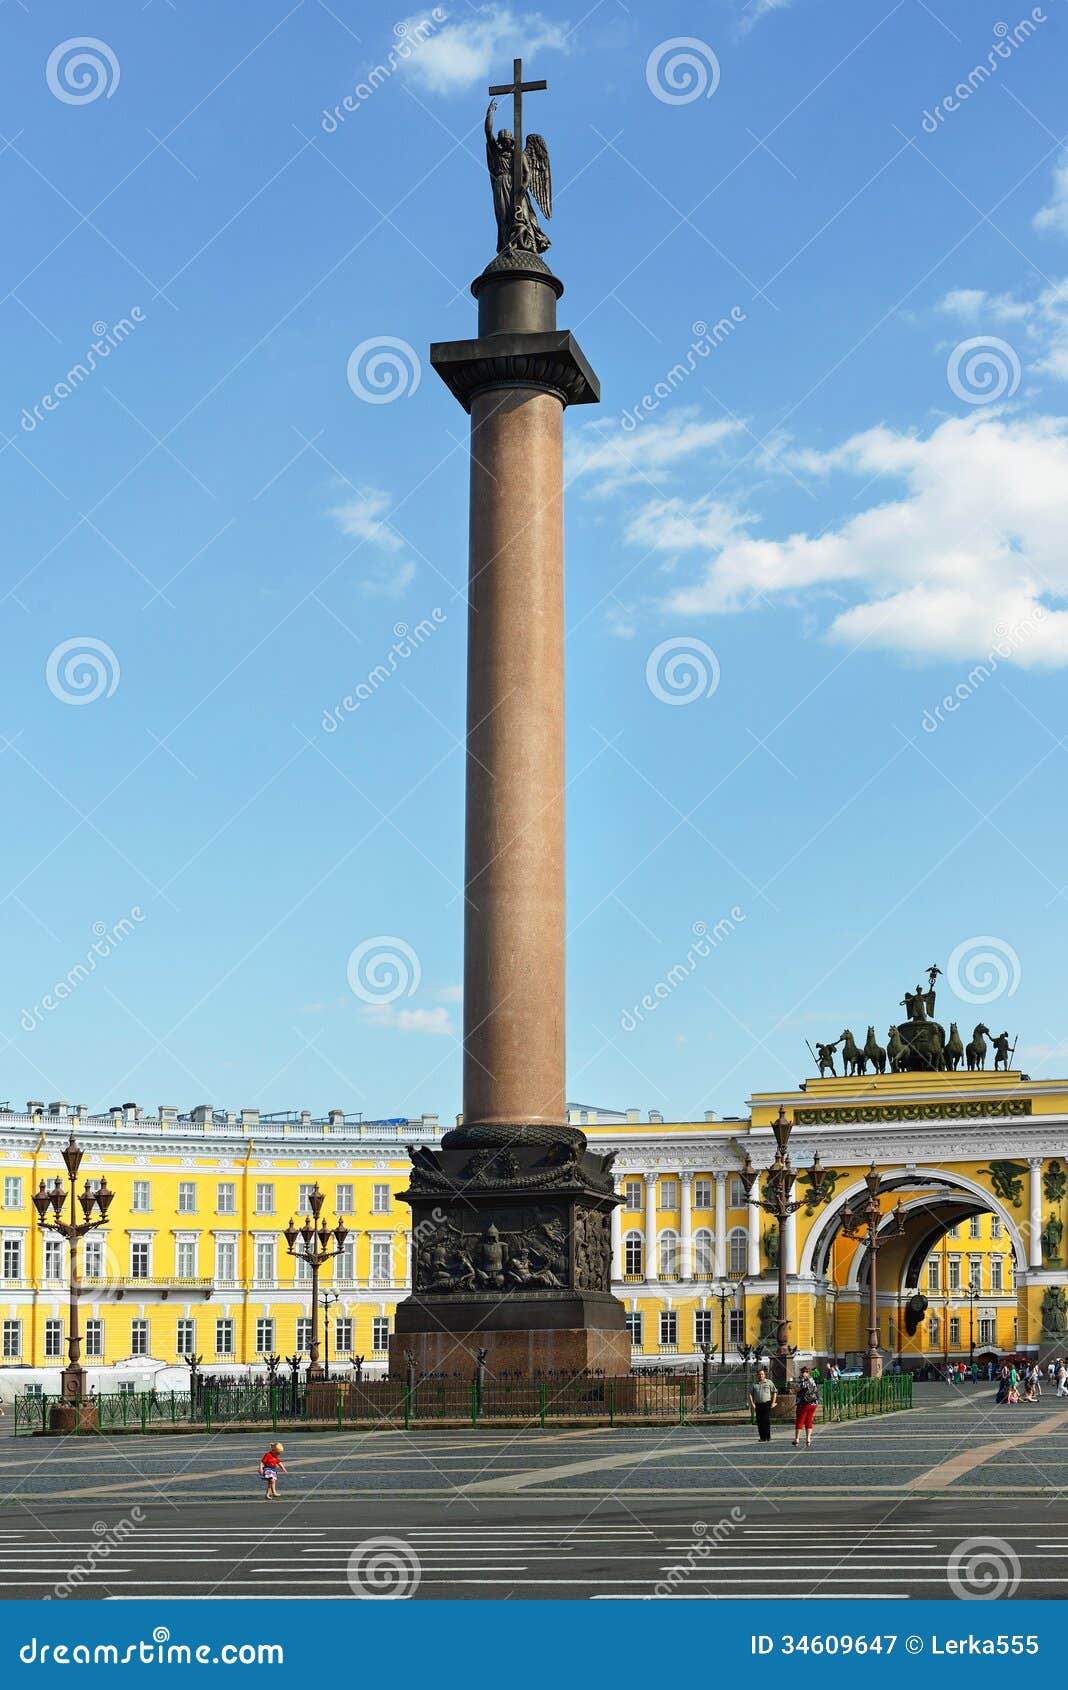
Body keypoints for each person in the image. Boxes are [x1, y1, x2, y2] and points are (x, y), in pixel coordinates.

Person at [747, 1367, 777, 1444]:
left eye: (762, 1374)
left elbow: (775, 1391)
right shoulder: (754, 1384)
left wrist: (773, 1402)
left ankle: (768, 1436)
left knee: (766, 1420)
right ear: (757, 1375)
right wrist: (752, 1404)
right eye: (759, 1374)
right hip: (758, 1404)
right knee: (760, 1421)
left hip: (766, 1403)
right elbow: (750, 1394)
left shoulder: (769, 1382)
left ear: (764, 1375)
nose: (761, 1376)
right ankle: (762, 1437)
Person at [792, 1367, 819, 1449]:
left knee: (800, 1420)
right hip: (813, 1403)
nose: (801, 1374)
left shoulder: (803, 1380)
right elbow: (815, 1389)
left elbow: (798, 1389)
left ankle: (797, 1439)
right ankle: (808, 1440)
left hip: (803, 1404)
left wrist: (794, 1388)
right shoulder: (812, 1380)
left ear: (804, 1372)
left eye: (801, 1372)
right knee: (809, 1420)